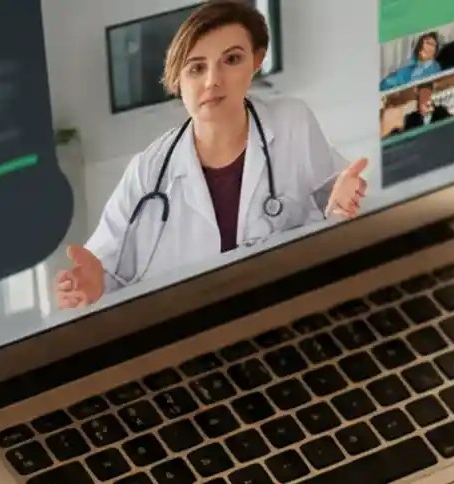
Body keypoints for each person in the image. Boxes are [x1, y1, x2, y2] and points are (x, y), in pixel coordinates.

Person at [55, 0, 368, 310]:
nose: (212, 80)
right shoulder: (147, 172)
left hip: (289, 309)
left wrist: (341, 208)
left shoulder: (292, 123)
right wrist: (92, 285)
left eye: (231, 59)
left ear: (256, 61)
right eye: (196, 68)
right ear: (178, 80)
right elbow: (105, 271)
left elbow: (332, 214)